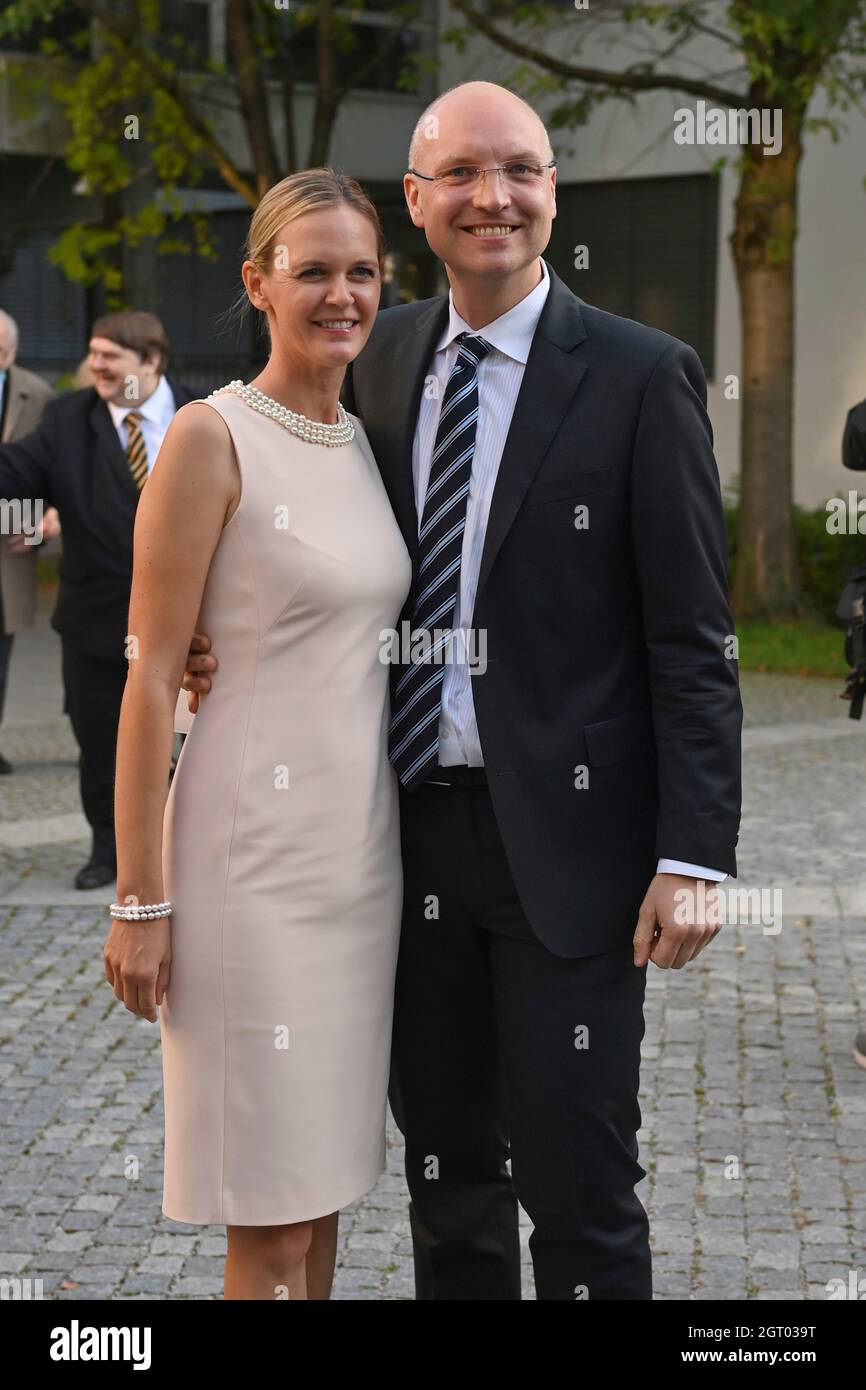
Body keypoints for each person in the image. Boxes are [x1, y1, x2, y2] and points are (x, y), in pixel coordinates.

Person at [183, 81, 743, 1300]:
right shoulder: (369, 356)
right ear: (419, 205)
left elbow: (692, 637)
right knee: (449, 1186)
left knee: (581, 1186)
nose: (495, 195)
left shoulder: (644, 375)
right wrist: (192, 635)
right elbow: (267, 507)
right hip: (396, 839)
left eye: (523, 170)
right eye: (465, 174)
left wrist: (692, 854)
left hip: (572, 850)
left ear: (552, 193)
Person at [103, 171, 412, 1301]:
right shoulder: (208, 435)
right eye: (313, 270)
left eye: (361, 270)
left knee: (321, 1203)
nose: (341, 293)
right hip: (248, 870)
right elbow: (145, 681)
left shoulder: (368, 444)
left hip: (359, 869)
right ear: (258, 284)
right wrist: (142, 899)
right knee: (269, 1231)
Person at [0, 311, 195, 887]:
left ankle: (185, 845)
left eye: (112, 356)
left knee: (193, 739)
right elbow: (13, 473)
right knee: (99, 742)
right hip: (95, 623)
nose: (98, 367)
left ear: (152, 361)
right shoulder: (68, 421)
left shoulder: (201, 414)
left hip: (193, 621)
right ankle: (109, 853)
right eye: (93, 354)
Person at [0, 308, 59, 772]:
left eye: (1, 352)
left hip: (8, 540)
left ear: (14, 350)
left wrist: (35, 528)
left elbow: (48, 475)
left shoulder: (37, 395)